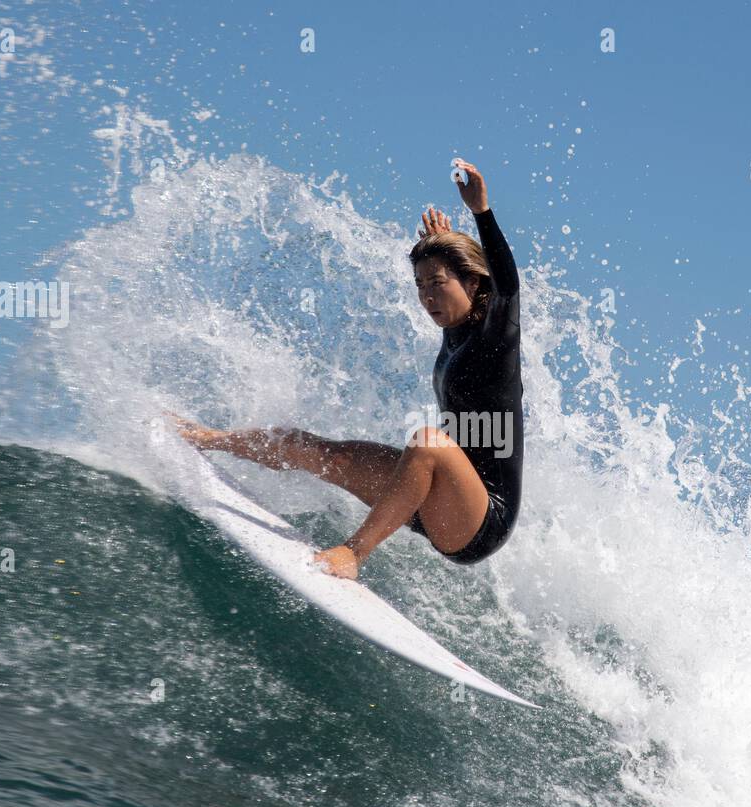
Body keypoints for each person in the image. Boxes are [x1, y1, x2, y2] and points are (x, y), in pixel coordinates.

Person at [173, 160, 523, 580]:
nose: (427, 296)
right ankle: (205, 438)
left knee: (428, 443)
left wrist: (481, 214)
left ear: (472, 283)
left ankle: (354, 554)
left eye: (437, 283)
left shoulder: (496, 335)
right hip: (435, 497)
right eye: (420, 285)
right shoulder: (452, 329)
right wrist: (440, 250)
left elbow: (508, 286)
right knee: (316, 449)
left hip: (481, 521)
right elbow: (450, 277)